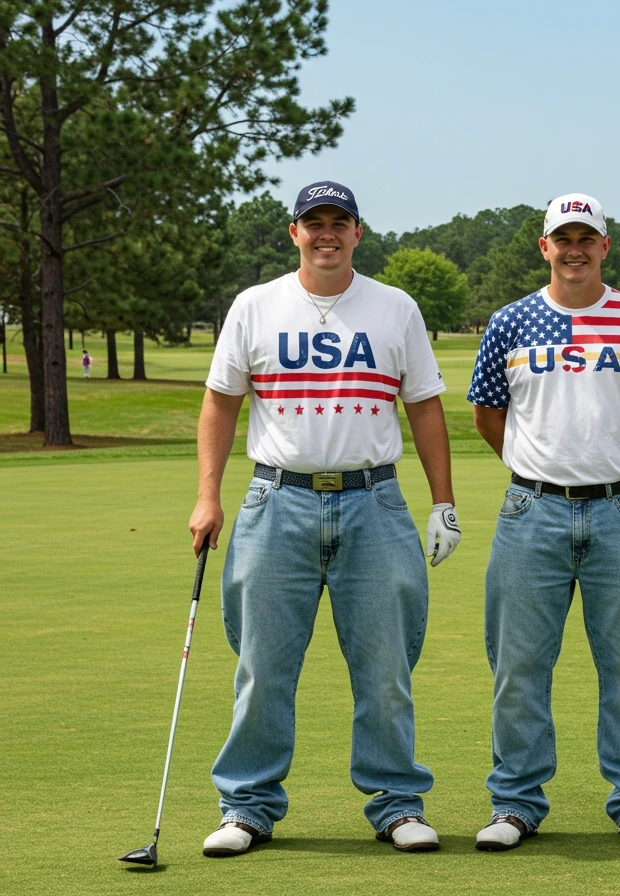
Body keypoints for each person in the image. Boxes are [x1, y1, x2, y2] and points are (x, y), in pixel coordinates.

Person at [188, 180, 461, 857]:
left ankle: (397, 803)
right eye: (315, 223)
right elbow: (221, 403)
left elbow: (424, 406)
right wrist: (207, 495)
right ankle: (247, 806)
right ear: (295, 233)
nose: (327, 233)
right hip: (276, 498)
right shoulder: (255, 306)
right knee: (262, 667)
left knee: (385, 668)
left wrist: (443, 502)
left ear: (358, 234)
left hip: (376, 501)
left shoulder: (395, 308)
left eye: (340, 222)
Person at [467, 193, 620, 851]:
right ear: (544, 247)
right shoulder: (510, 322)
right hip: (531, 511)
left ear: (605, 246)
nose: (575, 249)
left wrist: (614, 465)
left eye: (587, 237)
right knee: (520, 667)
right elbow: (487, 413)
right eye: (563, 238)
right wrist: (538, 468)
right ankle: (516, 803)